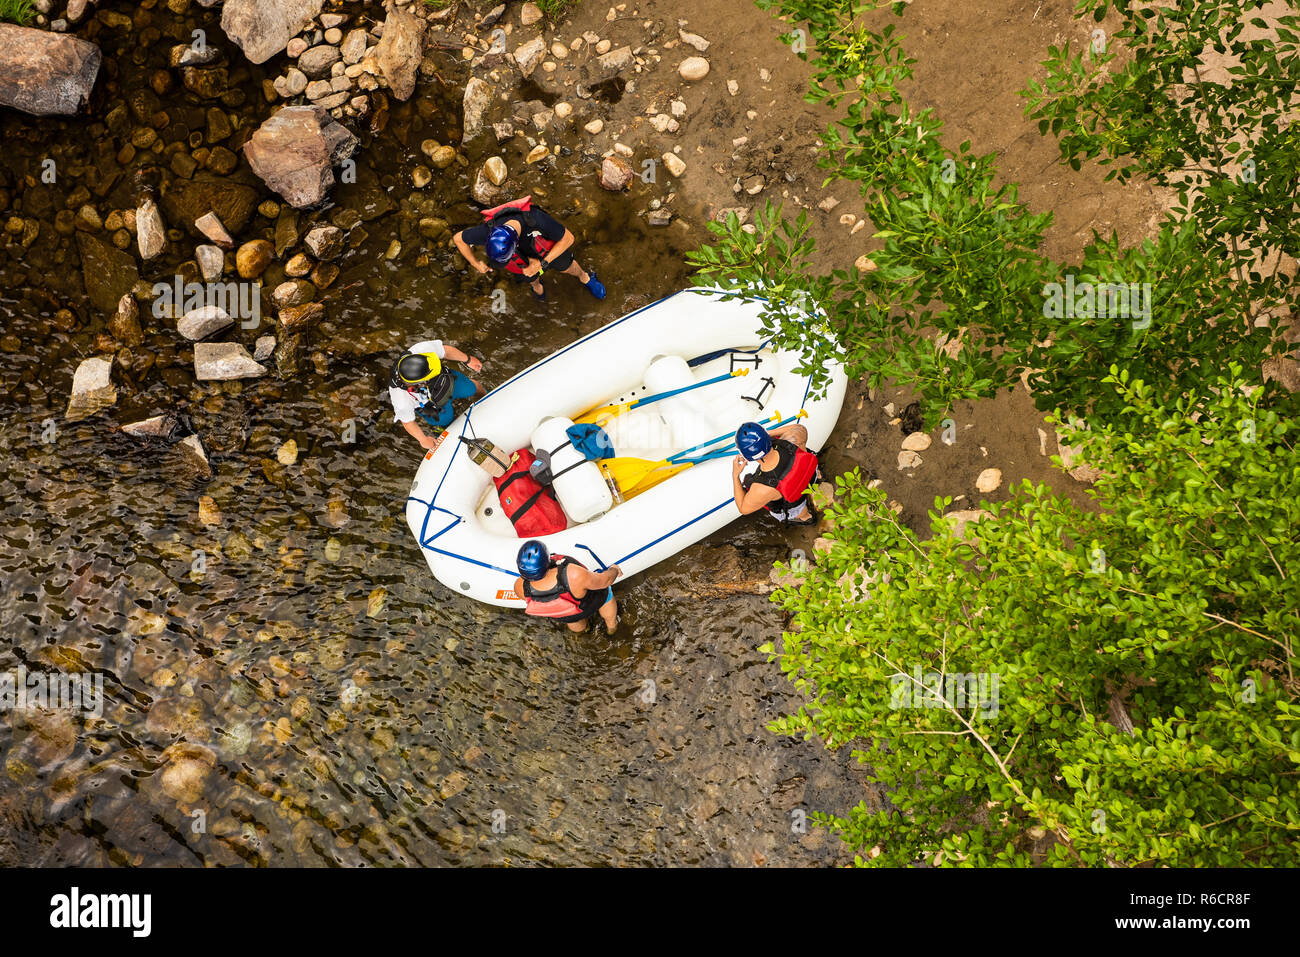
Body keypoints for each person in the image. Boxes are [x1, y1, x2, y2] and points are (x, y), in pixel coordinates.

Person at [452, 196, 606, 302]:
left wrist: (543, 263)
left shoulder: (536, 219)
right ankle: (537, 286)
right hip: (524, 262)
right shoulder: (488, 231)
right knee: (531, 278)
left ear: (515, 244)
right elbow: (458, 239)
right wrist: (475, 263)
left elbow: (568, 238)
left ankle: (585, 277)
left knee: (569, 266)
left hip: (547, 252)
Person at [389, 340, 484, 452]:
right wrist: (423, 439)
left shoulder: (419, 350)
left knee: (471, 388)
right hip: (429, 404)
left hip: (447, 381)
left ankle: (486, 395)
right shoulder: (401, 400)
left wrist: (467, 359)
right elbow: (408, 422)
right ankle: (443, 428)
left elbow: (446, 351)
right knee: (445, 421)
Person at [513, 540, 621, 633]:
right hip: (589, 603)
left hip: (565, 614)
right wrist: (614, 570)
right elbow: (606, 581)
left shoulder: (519, 586)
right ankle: (611, 628)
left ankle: (585, 631)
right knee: (606, 594)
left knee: (573, 621)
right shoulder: (573, 575)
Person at [731, 420, 821, 526]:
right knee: (809, 468)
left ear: (747, 457)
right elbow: (799, 427)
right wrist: (766, 435)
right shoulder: (793, 439)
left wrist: (735, 475)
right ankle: (819, 477)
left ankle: (806, 517)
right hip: (810, 475)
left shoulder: (762, 488)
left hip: (795, 502)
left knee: (798, 510)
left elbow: (743, 509)